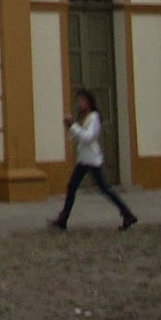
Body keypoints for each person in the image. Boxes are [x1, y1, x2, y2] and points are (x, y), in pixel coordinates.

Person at [50, 87, 138, 231]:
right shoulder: (83, 116)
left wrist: (73, 127)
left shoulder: (94, 117)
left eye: (82, 100)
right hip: (84, 159)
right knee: (72, 187)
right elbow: (75, 136)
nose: (79, 103)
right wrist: (69, 126)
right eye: (78, 100)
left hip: (91, 159)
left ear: (88, 101)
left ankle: (127, 213)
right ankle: (63, 219)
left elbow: (88, 137)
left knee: (105, 189)